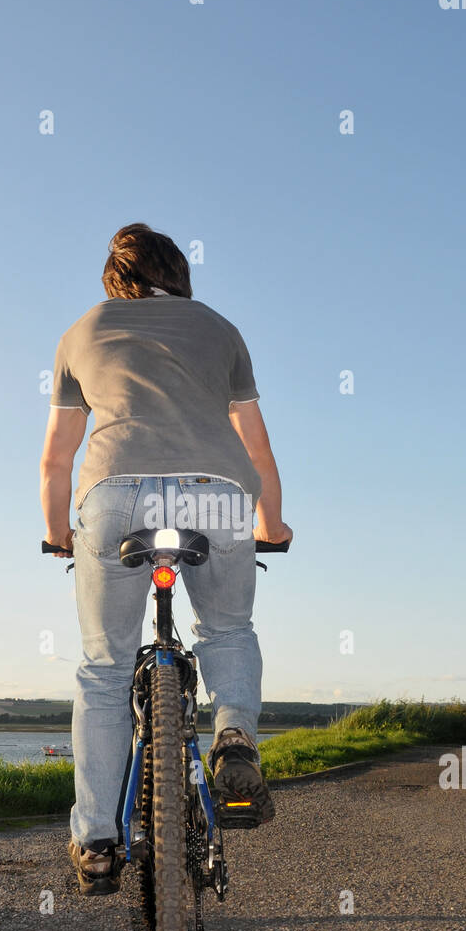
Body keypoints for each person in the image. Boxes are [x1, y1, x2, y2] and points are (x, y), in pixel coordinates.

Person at [39, 223, 292, 895]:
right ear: (177, 273)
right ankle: (233, 732)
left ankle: (95, 839)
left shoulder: (81, 333)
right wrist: (273, 523)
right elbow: (257, 446)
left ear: (114, 279)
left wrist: (57, 533)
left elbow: (56, 457)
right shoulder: (221, 329)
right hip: (218, 492)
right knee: (227, 629)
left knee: (103, 667)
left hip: (116, 494)